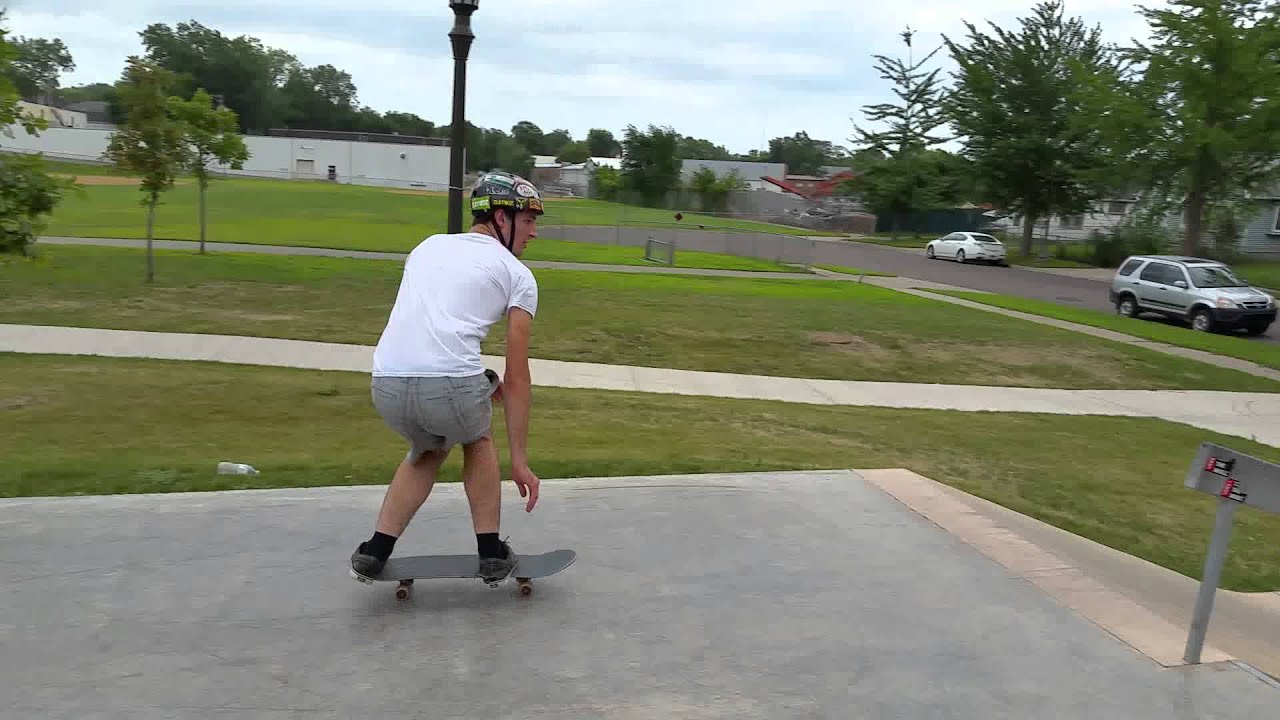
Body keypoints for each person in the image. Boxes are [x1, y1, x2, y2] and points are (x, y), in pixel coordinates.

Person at [350, 170, 544, 585]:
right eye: (528, 220)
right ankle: (491, 553)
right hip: (449, 383)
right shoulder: (517, 275)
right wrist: (521, 462)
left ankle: (375, 550)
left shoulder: (427, 247)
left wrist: (481, 384)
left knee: (428, 447)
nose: (534, 233)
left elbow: (431, 330)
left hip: (386, 383)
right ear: (501, 218)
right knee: (478, 439)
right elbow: (518, 375)